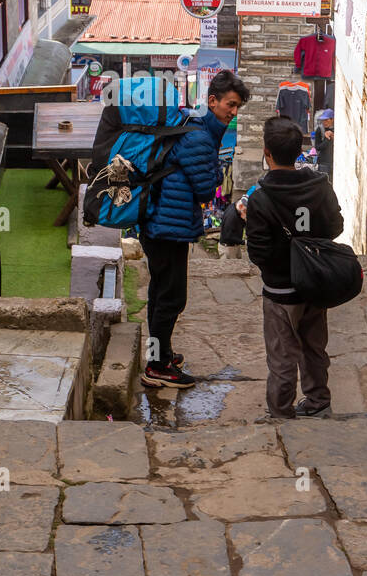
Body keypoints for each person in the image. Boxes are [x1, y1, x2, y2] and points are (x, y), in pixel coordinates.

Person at [140, 69, 250, 389]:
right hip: (167, 226)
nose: (233, 112)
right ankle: (157, 366)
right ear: (211, 101)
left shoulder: (195, 126)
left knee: (160, 292)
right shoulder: (200, 137)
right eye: (230, 105)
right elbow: (206, 190)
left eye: (237, 107)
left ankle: (161, 354)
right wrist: (214, 174)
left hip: (159, 223)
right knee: (172, 298)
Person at [245, 114, 344, 419]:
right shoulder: (320, 185)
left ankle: (281, 413)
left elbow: (257, 253)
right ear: (300, 151)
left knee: (282, 356)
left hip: (280, 291)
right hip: (315, 285)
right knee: (315, 347)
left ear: (267, 152)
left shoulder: (260, 199)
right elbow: (336, 226)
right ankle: (318, 402)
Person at [313, 108, 334, 180]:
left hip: (334, 162)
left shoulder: (337, 129)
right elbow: (317, 147)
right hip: (323, 162)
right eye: (323, 120)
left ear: (332, 120)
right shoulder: (320, 130)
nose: (324, 122)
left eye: (327, 120)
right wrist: (327, 139)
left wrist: (333, 136)